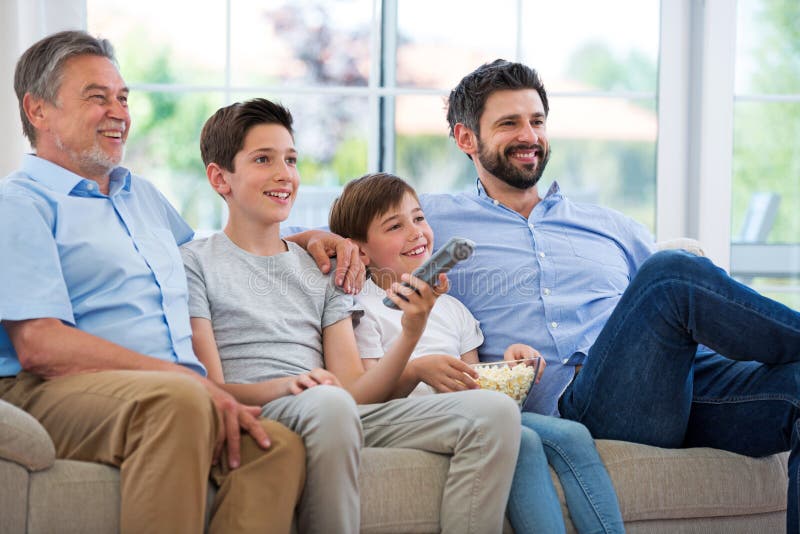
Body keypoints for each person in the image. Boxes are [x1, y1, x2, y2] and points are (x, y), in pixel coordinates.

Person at [417, 58, 800, 533]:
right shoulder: (430, 220)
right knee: (669, 274)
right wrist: (317, 242)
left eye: (536, 121)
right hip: (585, 405)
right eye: (509, 123)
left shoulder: (608, 224)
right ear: (465, 138)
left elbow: (694, 304)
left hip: (681, 384)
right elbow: (349, 228)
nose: (529, 135)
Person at [0, 30, 357, 534]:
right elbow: (38, 344)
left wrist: (304, 239)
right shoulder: (19, 203)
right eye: (97, 97)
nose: (119, 112)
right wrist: (184, 380)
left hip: (168, 392)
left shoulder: (140, 196)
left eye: (123, 98)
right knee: (180, 402)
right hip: (52, 388)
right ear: (37, 111)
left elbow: (219, 252)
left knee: (274, 447)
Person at [180, 97, 522, 534]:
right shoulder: (194, 262)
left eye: (290, 159)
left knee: (493, 412)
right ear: (219, 178)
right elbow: (210, 388)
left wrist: (411, 332)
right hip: (273, 406)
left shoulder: (325, 267)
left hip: (335, 409)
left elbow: (357, 392)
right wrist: (289, 386)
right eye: (263, 160)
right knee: (328, 402)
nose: (284, 174)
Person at [329, 171, 625, 534]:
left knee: (573, 435)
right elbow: (368, 398)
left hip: (473, 411)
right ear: (360, 250)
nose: (416, 232)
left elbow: (477, 385)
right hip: (410, 417)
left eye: (419, 218)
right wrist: (418, 369)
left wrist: (513, 363)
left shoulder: (452, 309)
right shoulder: (363, 308)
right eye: (395, 226)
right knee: (525, 442)